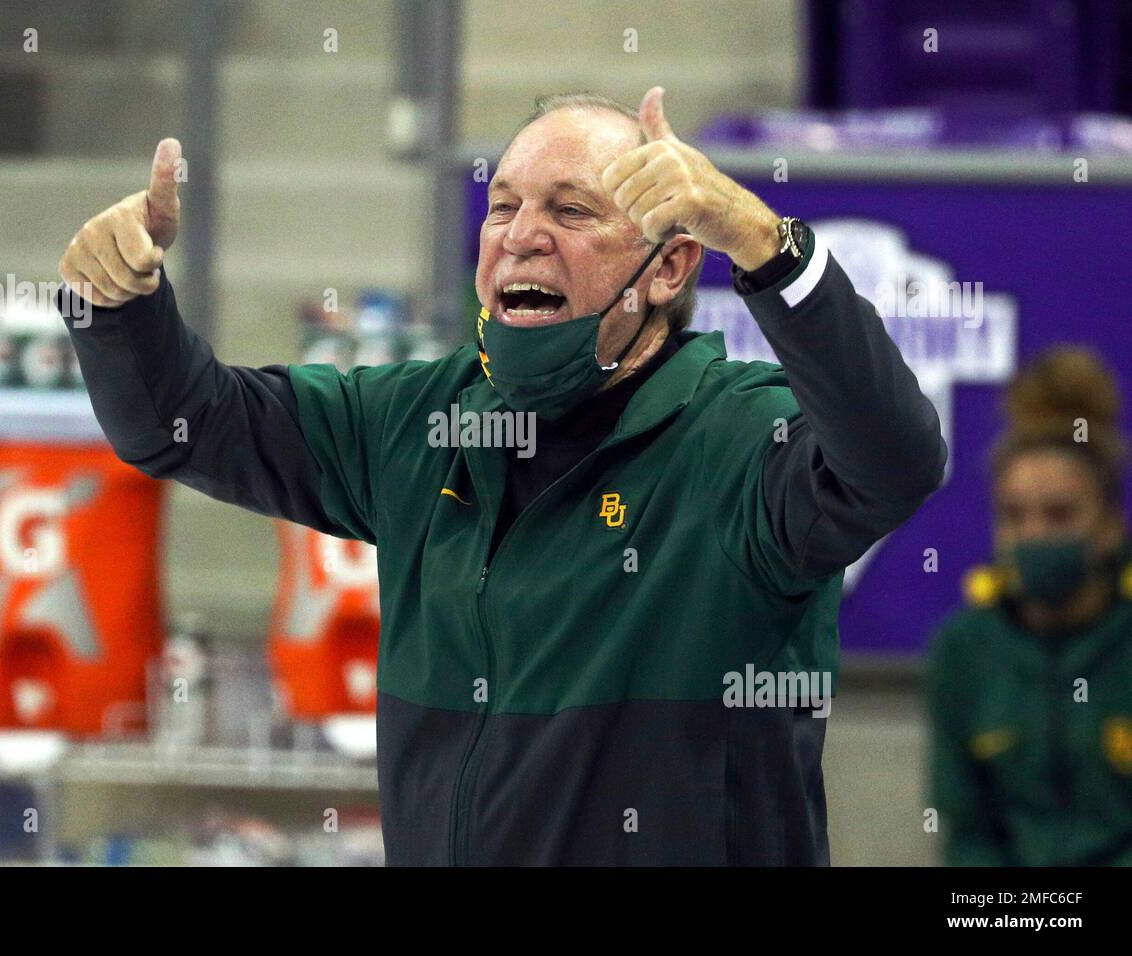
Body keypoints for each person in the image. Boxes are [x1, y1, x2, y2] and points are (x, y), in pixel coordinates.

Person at [56, 88, 946, 865]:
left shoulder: (740, 440)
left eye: (571, 210)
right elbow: (185, 425)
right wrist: (116, 305)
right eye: (502, 206)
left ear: (670, 265)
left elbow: (896, 460)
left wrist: (763, 241)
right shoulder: (418, 422)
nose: (521, 236)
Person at [928, 347, 1132, 866]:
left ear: (1109, 524)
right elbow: (967, 836)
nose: (1034, 535)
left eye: (1060, 514)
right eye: (1015, 516)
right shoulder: (964, 651)